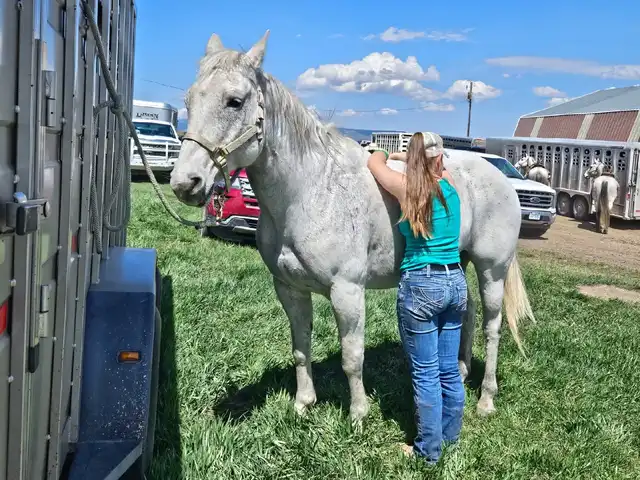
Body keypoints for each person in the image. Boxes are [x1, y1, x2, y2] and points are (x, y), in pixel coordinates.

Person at [366, 132, 467, 465]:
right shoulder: (449, 185)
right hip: (456, 281)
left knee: (425, 373)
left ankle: (427, 451)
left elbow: (374, 163)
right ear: (439, 159)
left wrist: (385, 152)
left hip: (422, 284)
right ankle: (450, 438)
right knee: (448, 369)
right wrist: (412, 159)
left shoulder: (406, 188)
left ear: (414, 161)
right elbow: (436, 167)